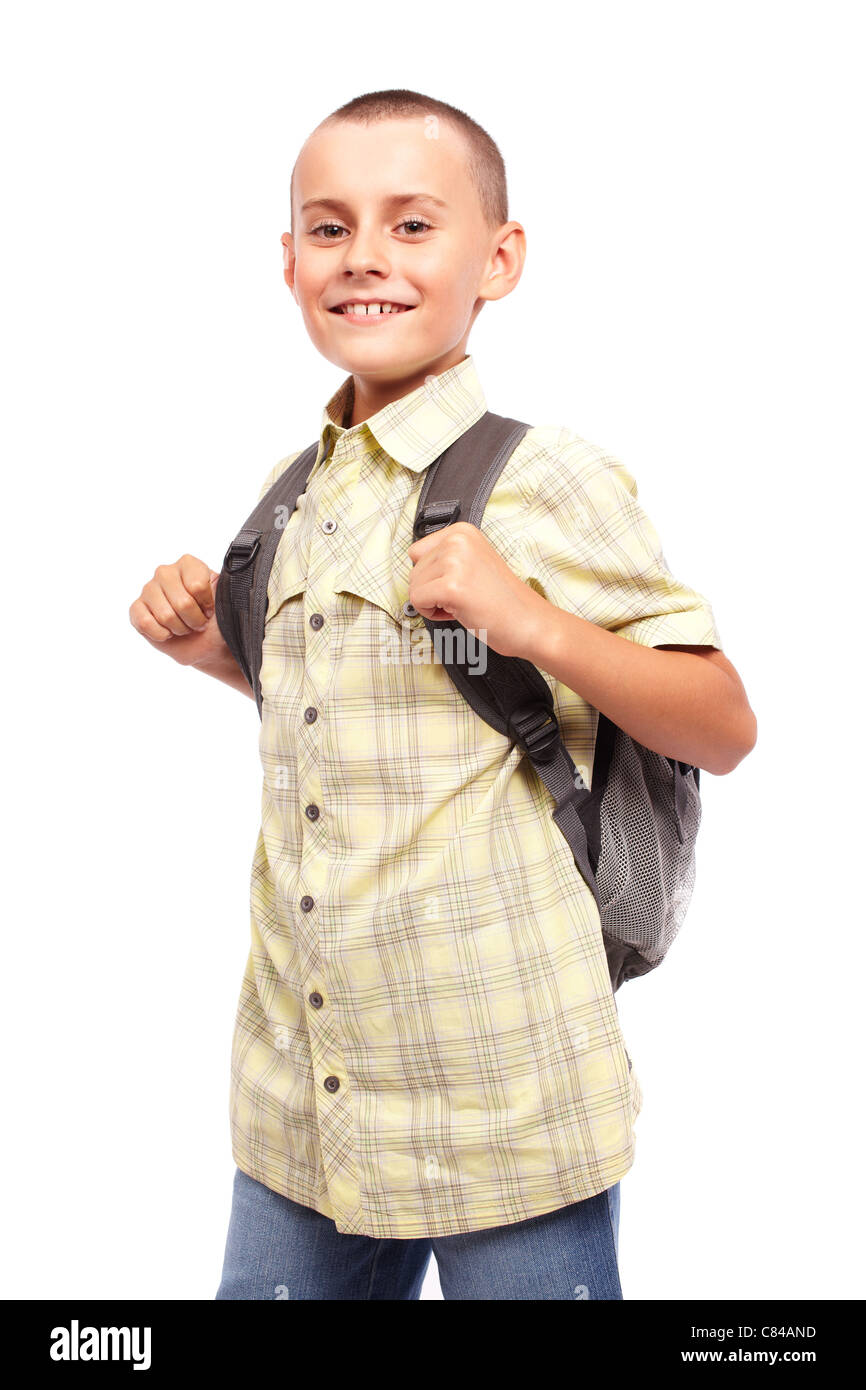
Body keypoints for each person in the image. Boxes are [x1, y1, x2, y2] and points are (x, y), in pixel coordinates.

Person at [128, 88, 757, 1300]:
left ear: (498, 259)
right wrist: (215, 647)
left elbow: (722, 724)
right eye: (329, 228)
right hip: (302, 1092)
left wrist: (530, 618)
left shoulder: (540, 474)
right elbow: (354, 720)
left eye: (412, 226)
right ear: (287, 260)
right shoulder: (292, 488)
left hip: (499, 1098)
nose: (364, 256)